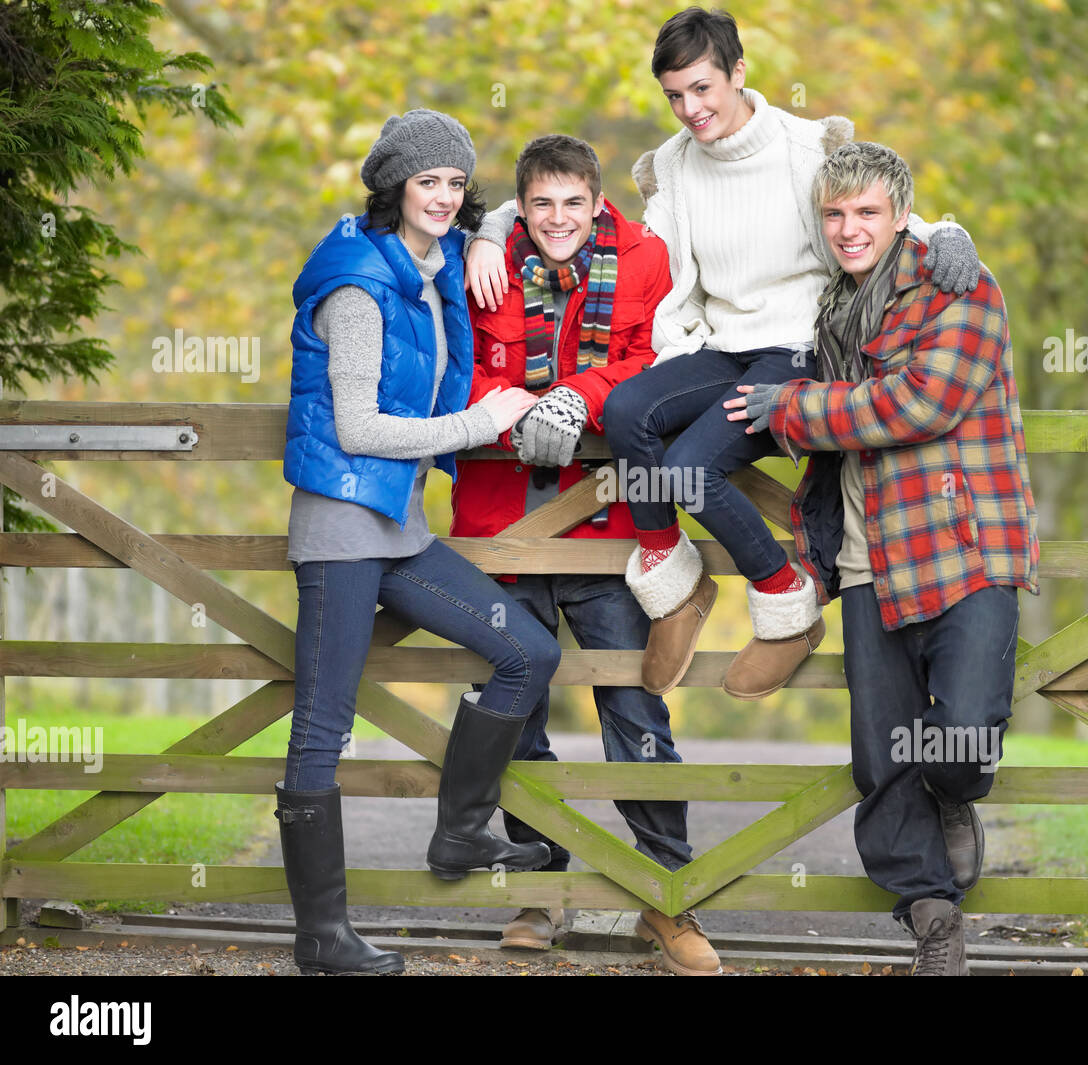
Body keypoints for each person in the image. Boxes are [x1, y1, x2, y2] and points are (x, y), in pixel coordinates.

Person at [468, 6, 980, 705]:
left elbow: (872, 206)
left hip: (798, 351)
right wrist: (496, 226)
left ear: (739, 73)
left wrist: (946, 231)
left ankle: (786, 597)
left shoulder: (804, 149)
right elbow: (613, 234)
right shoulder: (675, 164)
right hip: (721, 347)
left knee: (688, 469)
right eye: (674, 95)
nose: (690, 109)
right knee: (625, 410)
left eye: (703, 89)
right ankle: (673, 585)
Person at [726, 141, 1039, 976]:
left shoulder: (959, 285)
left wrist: (792, 408)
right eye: (834, 214)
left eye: (866, 212)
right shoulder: (827, 306)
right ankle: (933, 917)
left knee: (965, 735)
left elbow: (920, 401)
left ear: (903, 214)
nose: (848, 229)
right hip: (865, 560)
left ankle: (954, 793)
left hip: (963, 546)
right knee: (882, 754)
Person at [278, 109, 562, 976]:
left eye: (453, 184)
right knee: (321, 729)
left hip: (397, 528)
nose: (441, 197)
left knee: (526, 651)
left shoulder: (429, 264)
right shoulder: (361, 287)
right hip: (339, 529)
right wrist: (480, 419)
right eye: (425, 182)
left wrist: (488, 231)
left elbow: (534, 216)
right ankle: (321, 936)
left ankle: (461, 831)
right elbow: (359, 427)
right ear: (392, 188)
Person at [449, 133, 720, 976]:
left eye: (574, 202)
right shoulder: (479, 264)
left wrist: (579, 393)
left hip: (604, 526)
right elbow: (449, 366)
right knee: (515, 710)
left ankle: (665, 894)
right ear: (519, 211)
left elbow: (654, 359)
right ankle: (540, 882)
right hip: (502, 524)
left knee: (636, 712)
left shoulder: (645, 259)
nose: (558, 218)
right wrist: (513, 403)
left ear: (599, 204)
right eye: (540, 205)